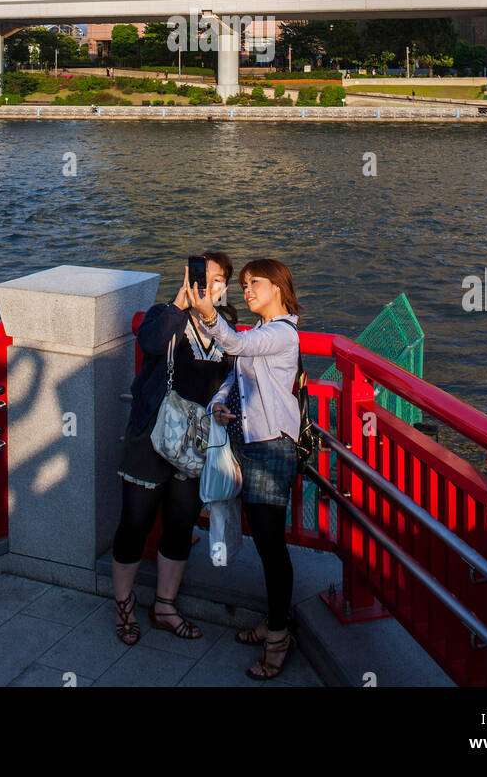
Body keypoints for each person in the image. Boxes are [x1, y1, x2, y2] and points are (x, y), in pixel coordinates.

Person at [111, 251, 237, 646]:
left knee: (181, 522)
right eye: (202, 278)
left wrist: (223, 404)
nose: (208, 287)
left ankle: (165, 605)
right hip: (153, 434)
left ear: (225, 287)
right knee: (135, 521)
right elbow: (149, 343)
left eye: (217, 281)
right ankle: (124, 606)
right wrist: (179, 305)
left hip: (197, 442)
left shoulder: (228, 328)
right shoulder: (164, 316)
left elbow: (233, 379)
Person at [189, 258, 301, 680]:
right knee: (264, 539)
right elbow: (235, 374)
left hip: (271, 448)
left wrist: (208, 316)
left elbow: (234, 346)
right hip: (248, 443)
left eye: (255, 283)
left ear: (278, 287)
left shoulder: (281, 333)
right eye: (245, 284)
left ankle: (279, 635)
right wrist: (219, 400)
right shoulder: (258, 332)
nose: (247, 290)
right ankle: (275, 620)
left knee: (272, 545)